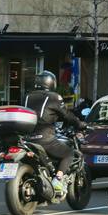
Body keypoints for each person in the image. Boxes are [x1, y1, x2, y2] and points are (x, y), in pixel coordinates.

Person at [23, 71, 85, 199]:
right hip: (45, 138)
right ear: (51, 83)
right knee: (69, 153)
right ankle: (57, 180)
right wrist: (79, 124)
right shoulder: (54, 97)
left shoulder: (27, 96)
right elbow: (67, 115)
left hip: (27, 139)